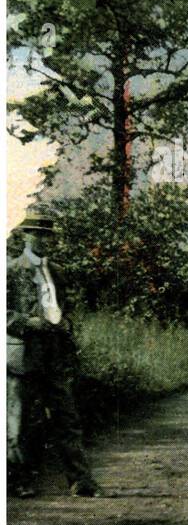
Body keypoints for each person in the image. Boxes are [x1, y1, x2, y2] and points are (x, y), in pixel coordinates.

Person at [5, 212, 101, 498]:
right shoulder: (10, 270)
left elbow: (64, 308)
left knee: (67, 420)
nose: (43, 239)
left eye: (47, 235)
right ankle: (18, 482)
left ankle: (81, 482)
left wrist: (67, 324)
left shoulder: (57, 272)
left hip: (53, 357)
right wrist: (27, 323)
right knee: (17, 424)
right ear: (24, 235)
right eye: (37, 233)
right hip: (22, 357)